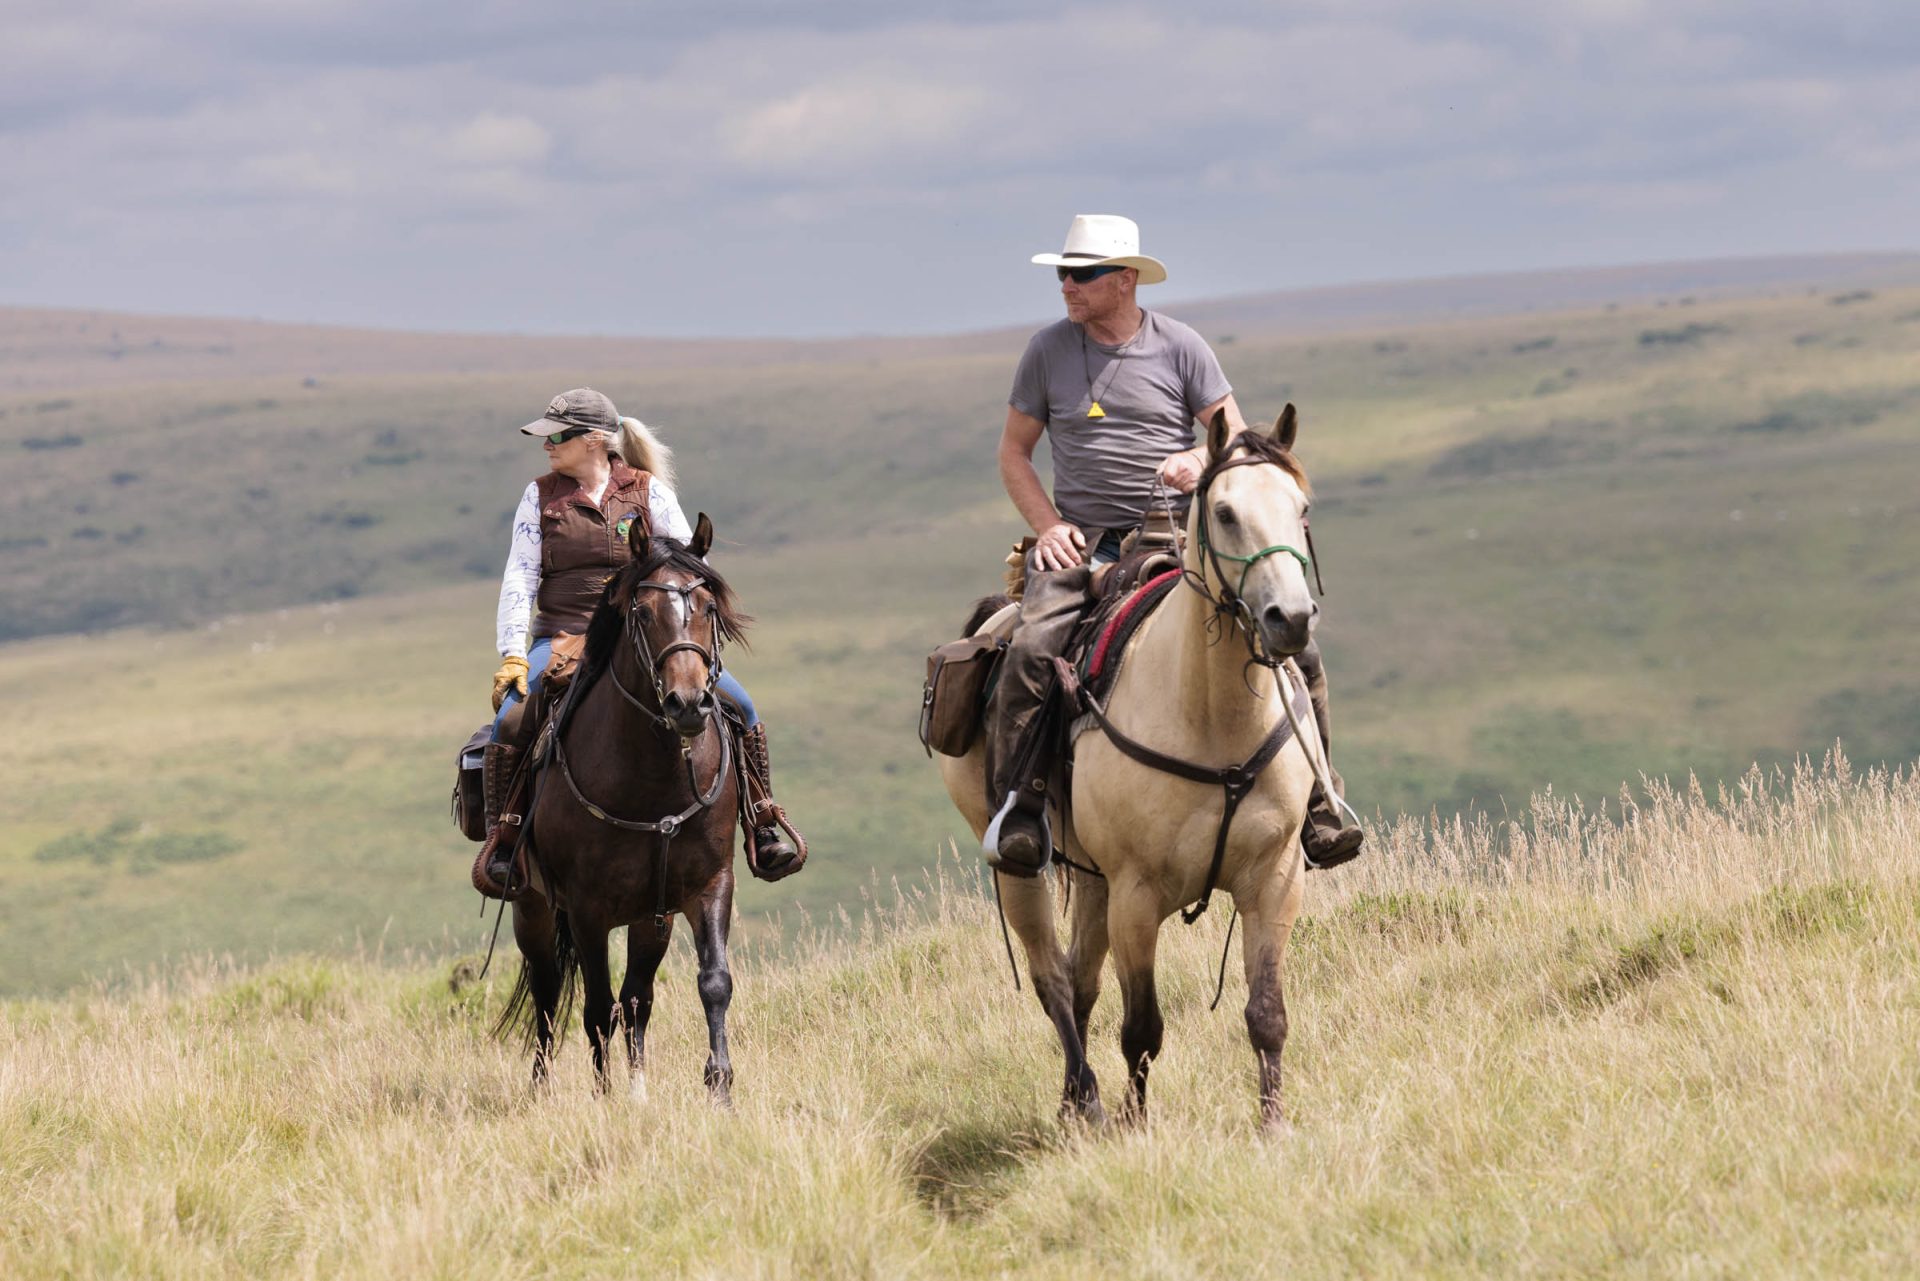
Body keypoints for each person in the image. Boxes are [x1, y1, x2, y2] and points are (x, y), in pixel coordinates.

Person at [982, 214, 1365, 876]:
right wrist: (1048, 527)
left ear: (1125, 280)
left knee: (1297, 647)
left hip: (1182, 539)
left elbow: (1238, 439)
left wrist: (1196, 456)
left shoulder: (1182, 346)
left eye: (1081, 274)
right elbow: (1015, 454)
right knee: (1030, 647)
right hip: (1089, 545)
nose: (1066, 285)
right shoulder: (1046, 352)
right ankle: (1022, 806)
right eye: (1063, 273)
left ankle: (1324, 800)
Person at [475, 388, 802, 895]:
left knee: (741, 705)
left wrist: (692, 634)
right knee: (511, 718)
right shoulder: (539, 496)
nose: (547, 446)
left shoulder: (648, 492)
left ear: (595, 440)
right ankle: (505, 841)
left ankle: (761, 823)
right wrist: (514, 653)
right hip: (564, 636)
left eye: (557, 436)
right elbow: (519, 576)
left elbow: (692, 570)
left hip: (645, 637)